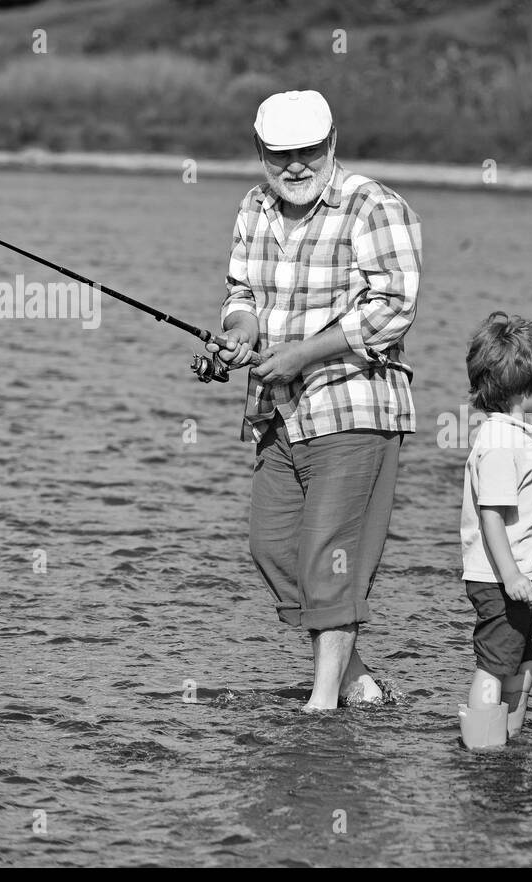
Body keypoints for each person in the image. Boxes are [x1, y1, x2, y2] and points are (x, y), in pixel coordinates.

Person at [207, 90, 422, 711]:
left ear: (331, 145)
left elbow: (393, 309)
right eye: (280, 156)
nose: (295, 166)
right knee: (271, 547)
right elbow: (240, 294)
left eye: (307, 152)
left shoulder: (375, 206)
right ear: (260, 153)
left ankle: (322, 703)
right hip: (278, 411)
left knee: (329, 551)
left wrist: (305, 353)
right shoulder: (253, 207)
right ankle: (356, 679)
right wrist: (238, 337)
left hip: (354, 404)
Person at [457, 312, 532, 749]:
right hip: (501, 578)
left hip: (522, 576)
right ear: (523, 389)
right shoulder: (500, 444)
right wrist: (512, 576)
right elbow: (491, 518)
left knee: (531, 656)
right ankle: (482, 746)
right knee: (495, 663)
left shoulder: (522, 432)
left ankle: (508, 734)